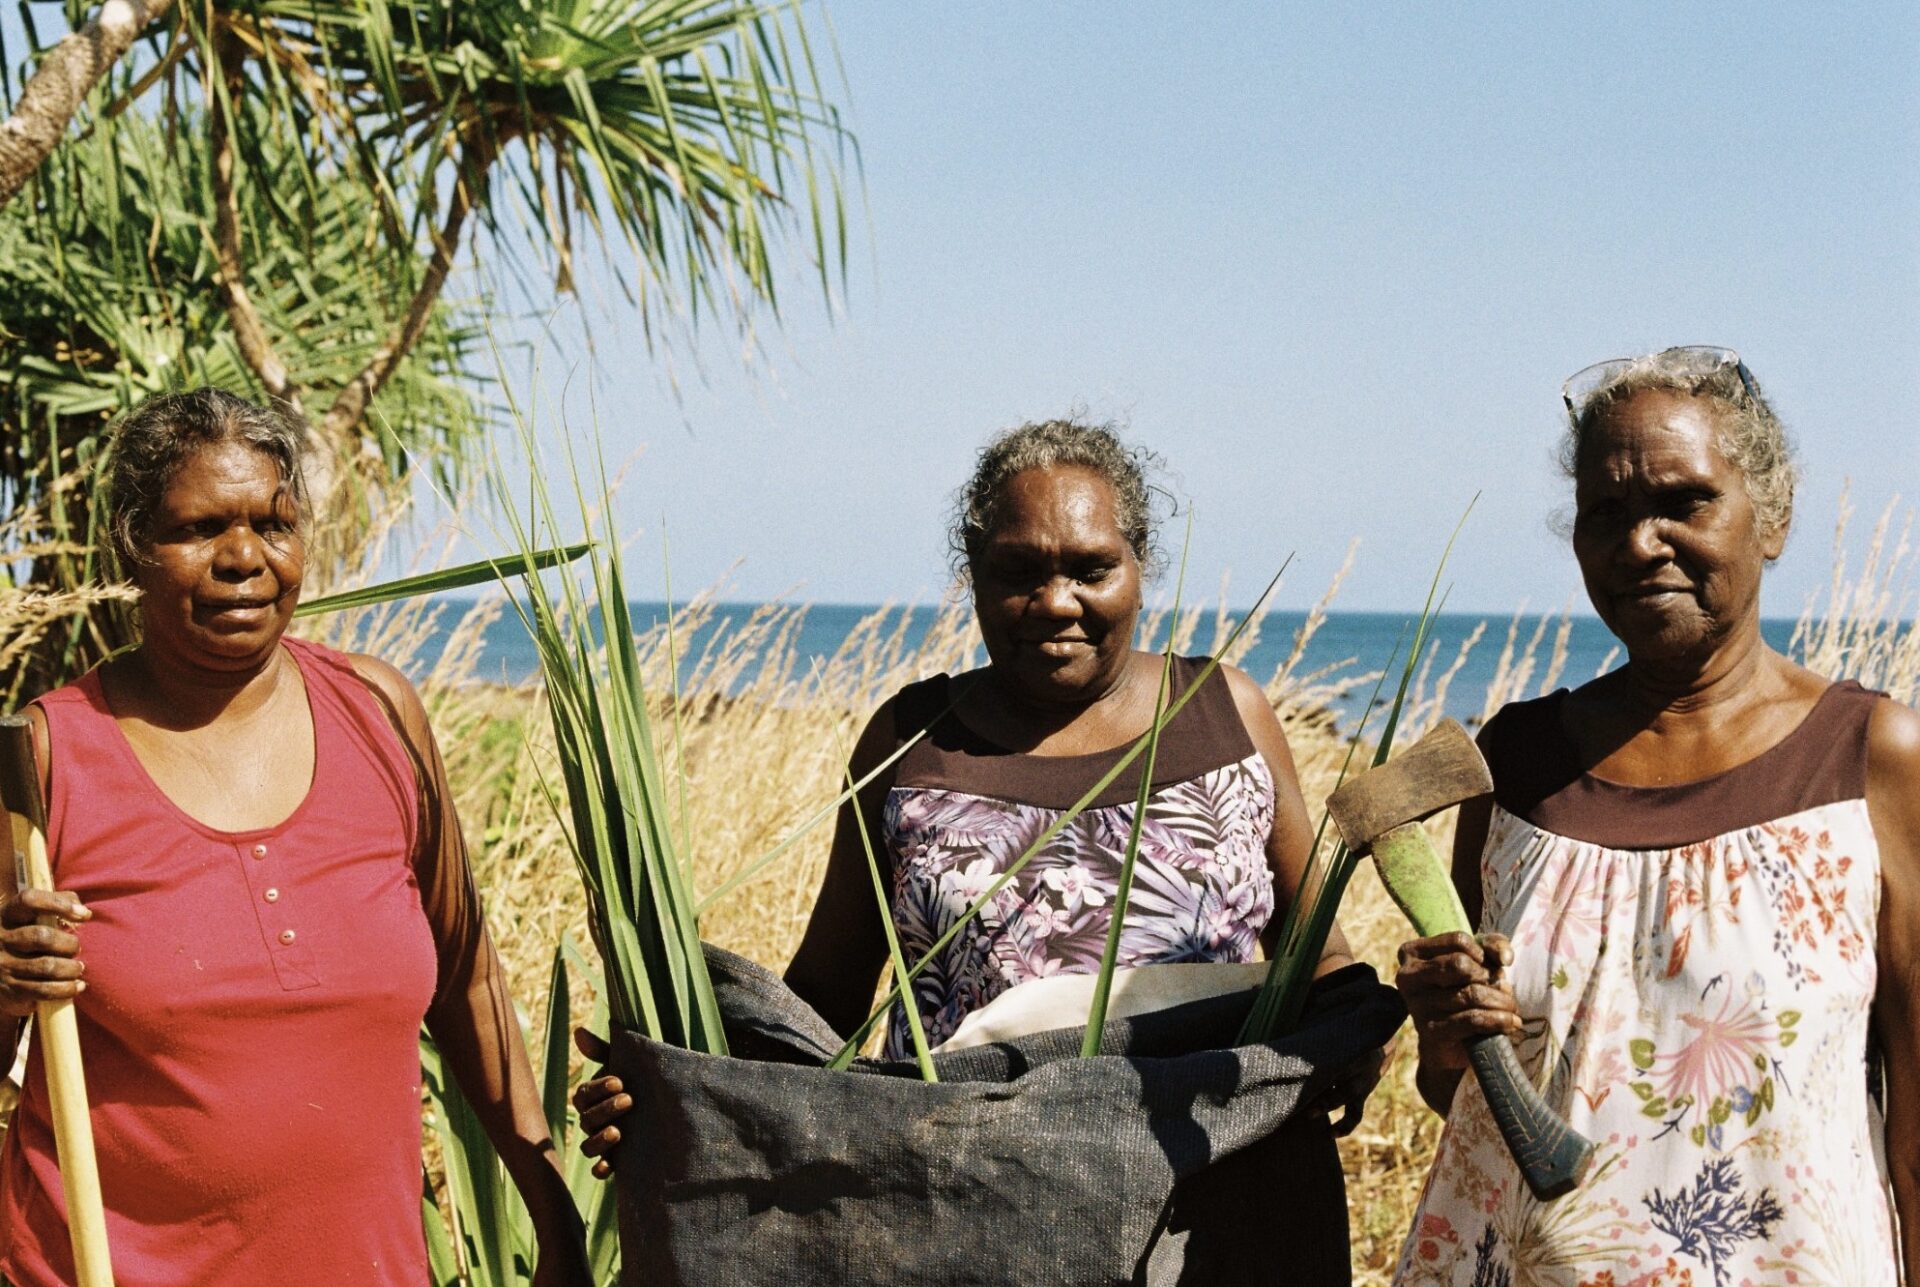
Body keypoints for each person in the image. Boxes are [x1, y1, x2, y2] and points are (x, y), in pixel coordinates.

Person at [575, 416, 1386, 1172]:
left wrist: (1350, 1044)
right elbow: (823, 1001)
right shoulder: (911, 741)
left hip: (1207, 1186)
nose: (1057, 601)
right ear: (974, 575)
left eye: (1091, 568)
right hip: (963, 1194)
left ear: (1138, 568)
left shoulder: (1225, 714)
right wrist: (673, 1090)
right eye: (1018, 572)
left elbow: (1320, 954)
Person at [0, 390, 591, 1286]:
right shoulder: (48, 757)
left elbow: (467, 976)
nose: (245, 557)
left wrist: (557, 1221)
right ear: (132, 545)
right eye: (200, 528)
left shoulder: (380, 714)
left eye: (273, 524)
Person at [1392, 347, 1919, 1286]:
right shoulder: (1516, 763)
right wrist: (1445, 1033)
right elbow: (1465, 1096)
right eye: (1608, 513)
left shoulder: (1871, 760)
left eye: (1683, 502)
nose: (1641, 543)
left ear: (1773, 516)